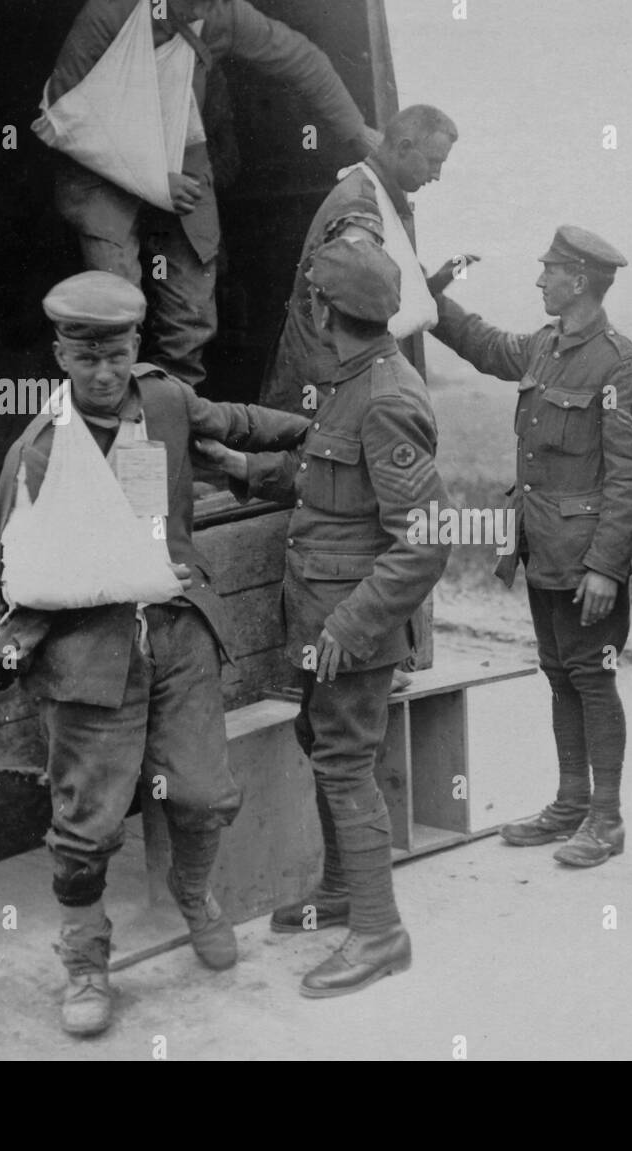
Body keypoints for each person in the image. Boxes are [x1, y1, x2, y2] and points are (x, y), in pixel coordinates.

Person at [0, 270, 310, 1036]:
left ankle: (193, 894)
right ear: (60, 354)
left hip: (177, 631)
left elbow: (235, 420)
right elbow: (9, 565)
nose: (104, 373)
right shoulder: (39, 450)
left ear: (136, 344)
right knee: (88, 821)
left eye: (118, 353)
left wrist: (317, 427)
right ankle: (85, 959)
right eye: (86, 357)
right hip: (88, 653)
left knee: (202, 792)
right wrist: (16, 642)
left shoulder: (164, 400)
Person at [199, 238, 451, 995]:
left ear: (321, 309)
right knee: (328, 745)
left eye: (308, 298)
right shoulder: (353, 380)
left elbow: (426, 537)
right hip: (325, 619)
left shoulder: (386, 397)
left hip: (350, 628)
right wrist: (243, 467)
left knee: (345, 761)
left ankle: (379, 932)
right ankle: (342, 889)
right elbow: (325, 477)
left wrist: (348, 627)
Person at [427, 225, 632, 867]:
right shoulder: (543, 346)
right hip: (542, 550)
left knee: (593, 678)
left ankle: (606, 819)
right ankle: (570, 803)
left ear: (579, 280)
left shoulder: (620, 366)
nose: (539, 281)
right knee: (560, 675)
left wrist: (606, 568)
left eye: (549, 271)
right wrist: (431, 296)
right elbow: (482, 342)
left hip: (586, 562)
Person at [40, 0, 380, 387]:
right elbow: (62, 113)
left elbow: (301, 58)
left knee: (192, 317)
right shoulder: (110, 13)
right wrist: (152, 178)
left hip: (181, 161)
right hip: (102, 166)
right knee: (114, 306)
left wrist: (356, 132)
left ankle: (174, 405)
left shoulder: (222, 14)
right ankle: (115, 413)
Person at [261, 104, 459, 414]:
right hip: (325, 386)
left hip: (321, 376)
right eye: (434, 161)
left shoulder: (368, 190)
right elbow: (358, 301)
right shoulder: (360, 204)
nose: (437, 174)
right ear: (404, 148)